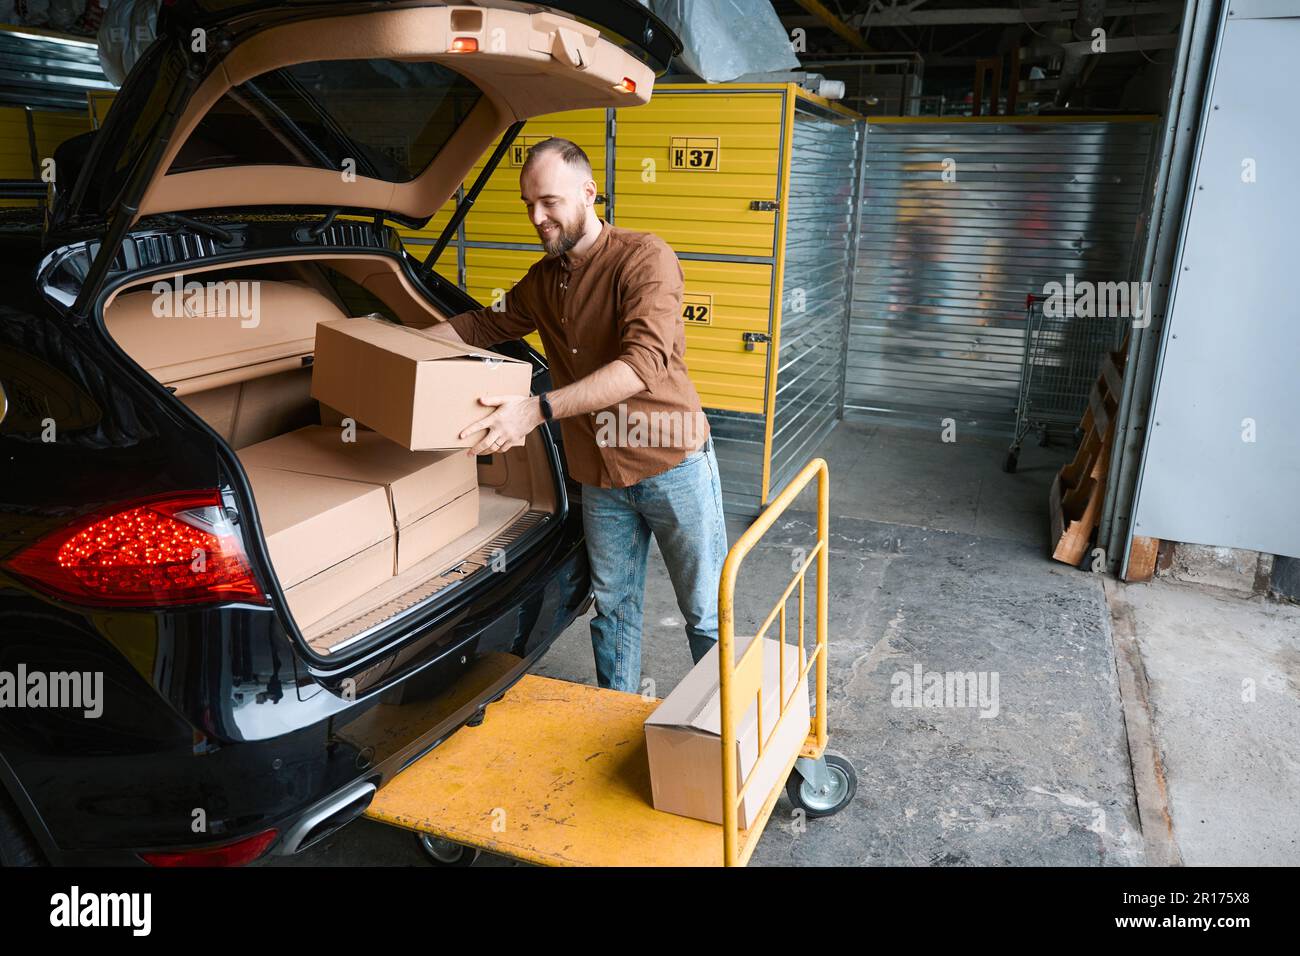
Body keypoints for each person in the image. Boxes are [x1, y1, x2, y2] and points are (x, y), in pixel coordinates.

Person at [427, 137, 727, 693]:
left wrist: (536, 410)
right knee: (613, 612)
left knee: (706, 613)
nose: (537, 217)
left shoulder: (644, 258)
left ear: (588, 193)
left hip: (671, 462)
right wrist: (391, 345)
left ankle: (729, 737)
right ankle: (614, 719)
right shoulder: (544, 280)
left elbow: (642, 365)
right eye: (528, 205)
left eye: (549, 202)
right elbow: (479, 326)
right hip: (600, 477)